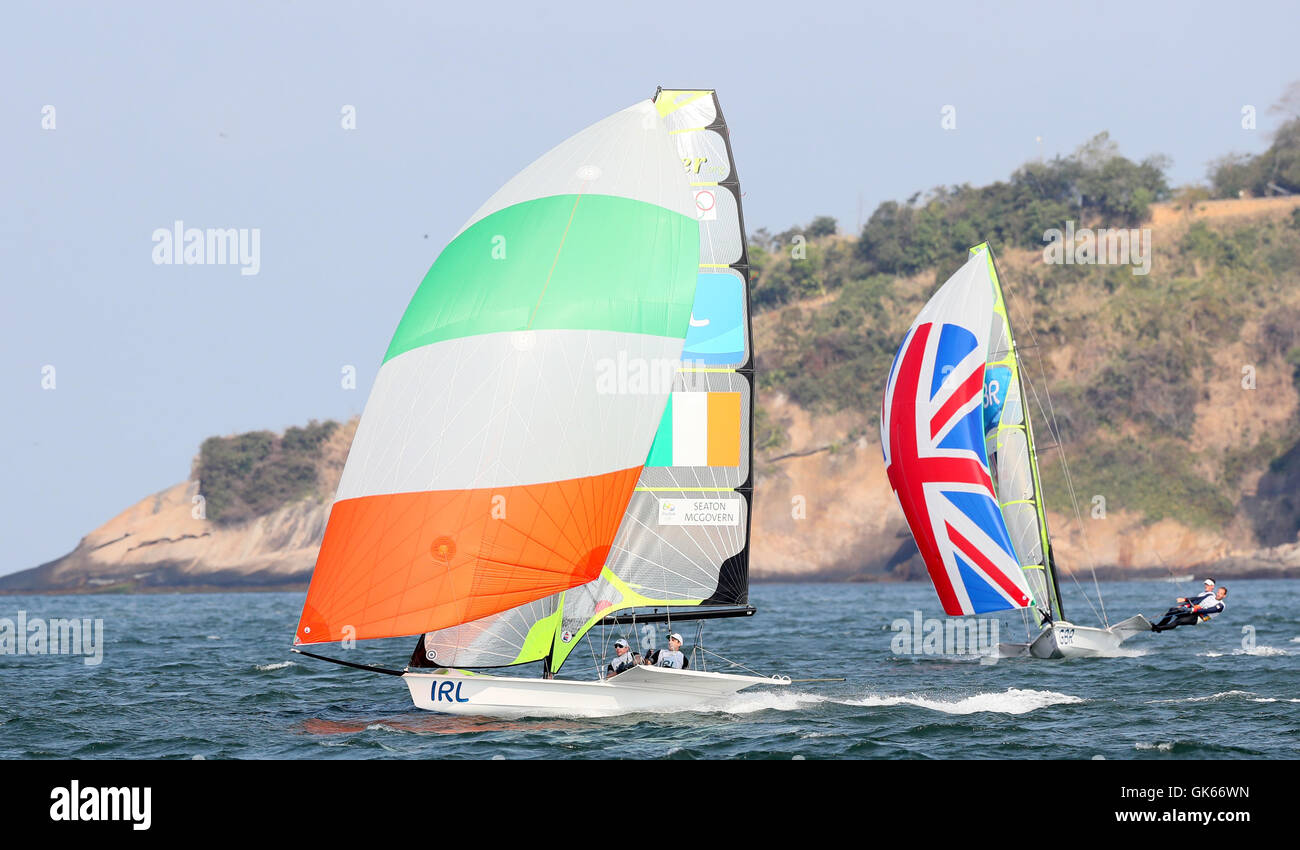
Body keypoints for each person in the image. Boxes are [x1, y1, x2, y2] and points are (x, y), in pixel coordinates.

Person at [1152, 586, 1227, 632]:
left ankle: (1158, 628)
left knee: (1178, 621)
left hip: (1198, 617)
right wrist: (1185, 601)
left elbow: (1208, 610)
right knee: (1173, 610)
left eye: (1221, 593)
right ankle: (1159, 626)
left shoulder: (1220, 605)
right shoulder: (1211, 595)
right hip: (1193, 611)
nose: (1218, 594)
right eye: (1218, 592)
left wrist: (1194, 610)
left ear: (1224, 596)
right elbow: (1197, 599)